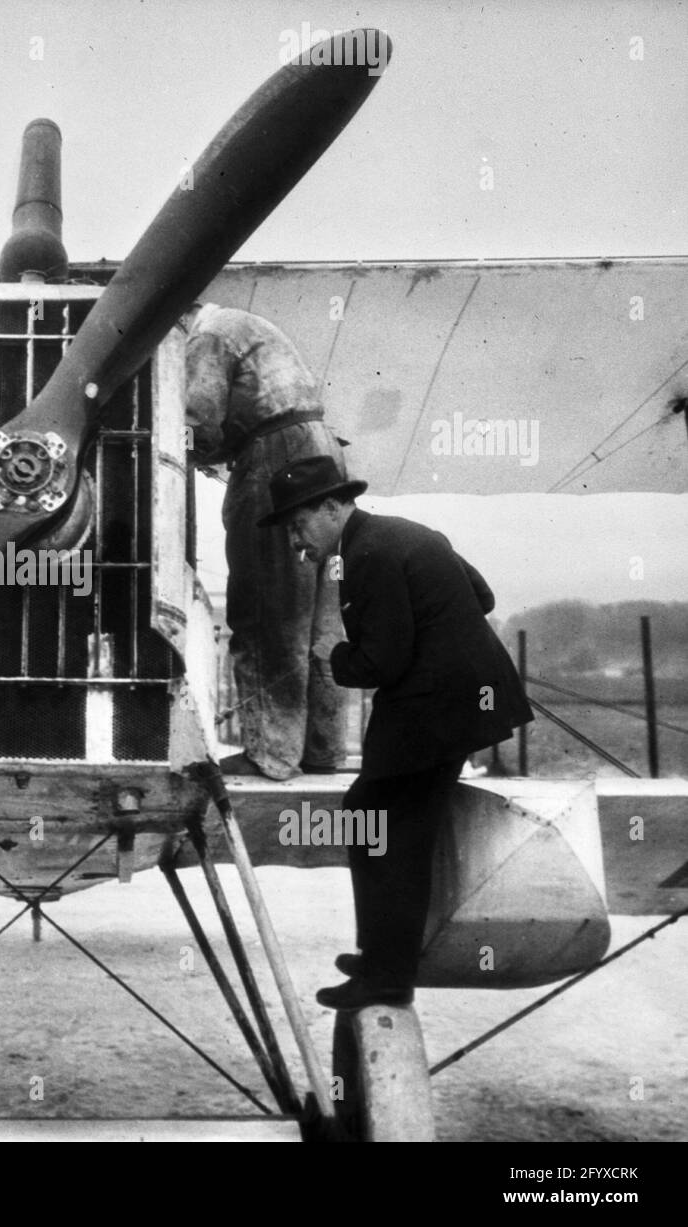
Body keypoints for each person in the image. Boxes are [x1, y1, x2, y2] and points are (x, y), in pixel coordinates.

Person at [258, 456, 533, 1010]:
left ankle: (386, 976)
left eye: (298, 524)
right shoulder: (402, 534)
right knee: (383, 825)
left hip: (436, 710)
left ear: (332, 507)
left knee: (380, 830)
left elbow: (381, 663)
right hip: (459, 702)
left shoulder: (366, 554)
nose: (295, 541)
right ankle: (384, 960)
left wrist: (332, 654)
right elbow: (481, 596)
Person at [181, 302, 350, 780]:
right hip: (323, 451)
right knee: (320, 619)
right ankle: (322, 751)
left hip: (273, 455)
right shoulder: (246, 323)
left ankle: (272, 755)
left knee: (265, 612)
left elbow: (198, 423)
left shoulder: (206, 335)